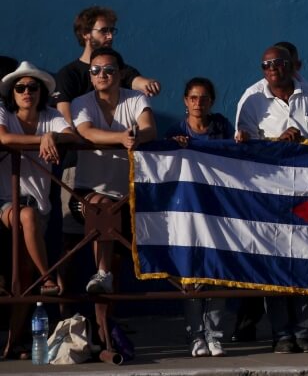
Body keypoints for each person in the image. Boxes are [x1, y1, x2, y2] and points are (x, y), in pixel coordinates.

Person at [234, 45, 308, 354]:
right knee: (276, 266)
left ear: (291, 65)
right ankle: (281, 333)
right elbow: (244, 149)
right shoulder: (251, 98)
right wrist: (276, 144)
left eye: (277, 63)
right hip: (272, 198)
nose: (271, 69)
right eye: (265, 65)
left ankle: (304, 332)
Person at [73, 47, 156, 297]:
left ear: (120, 74)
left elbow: (149, 129)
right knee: (102, 208)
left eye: (109, 70)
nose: (102, 75)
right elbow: (86, 132)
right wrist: (121, 138)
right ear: (90, 76)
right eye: (95, 70)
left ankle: (107, 317)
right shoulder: (81, 102)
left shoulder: (136, 99)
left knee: (118, 259)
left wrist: (137, 137)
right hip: (87, 192)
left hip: (130, 194)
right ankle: (102, 272)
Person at [0, 62, 80, 297]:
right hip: (6, 202)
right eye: (20, 88)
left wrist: (52, 135)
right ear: (12, 93)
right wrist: (42, 140)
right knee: (26, 215)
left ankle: (20, 323)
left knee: (25, 274)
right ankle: (47, 277)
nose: (27, 92)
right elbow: (4, 139)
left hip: (40, 205)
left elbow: (71, 135)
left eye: (32, 87)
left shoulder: (51, 116)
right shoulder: (4, 113)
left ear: (41, 92)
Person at [170, 78, 232, 357]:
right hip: (187, 211)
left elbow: (235, 157)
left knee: (217, 272)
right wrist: (173, 146)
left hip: (218, 210)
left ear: (211, 102)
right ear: (186, 101)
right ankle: (195, 335)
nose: (198, 103)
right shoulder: (176, 131)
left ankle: (214, 335)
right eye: (193, 98)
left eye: (204, 98)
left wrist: (239, 142)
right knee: (190, 273)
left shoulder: (222, 128)